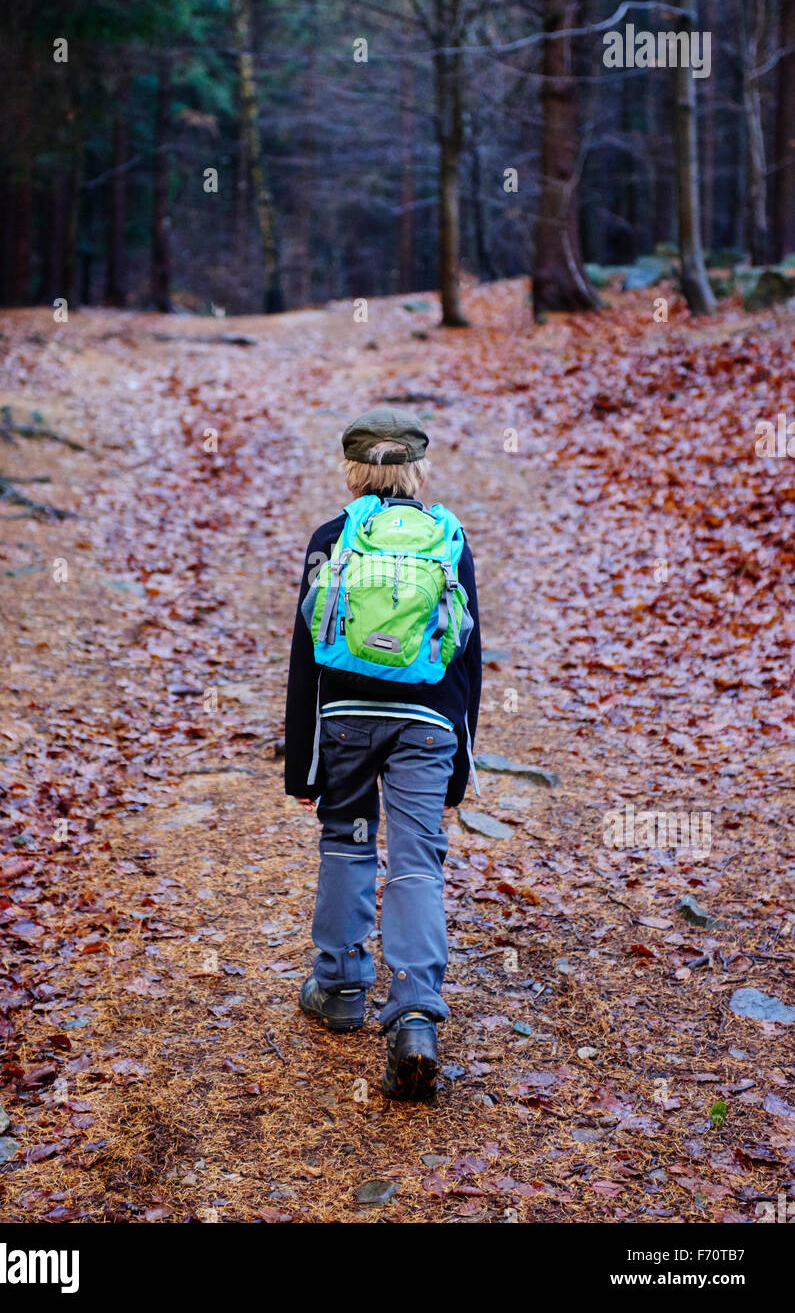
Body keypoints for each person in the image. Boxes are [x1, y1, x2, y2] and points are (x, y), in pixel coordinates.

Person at [284, 407, 482, 1100]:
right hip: (427, 721)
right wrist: (460, 759)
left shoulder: (332, 538)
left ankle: (338, 987)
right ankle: (415, 1016)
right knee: (416, 860)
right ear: (417, 468)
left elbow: (305, 660)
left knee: (345, 843)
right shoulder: (447, 539)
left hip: (343, 721)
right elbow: (467, 659)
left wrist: (300, 766)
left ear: (352, 467)